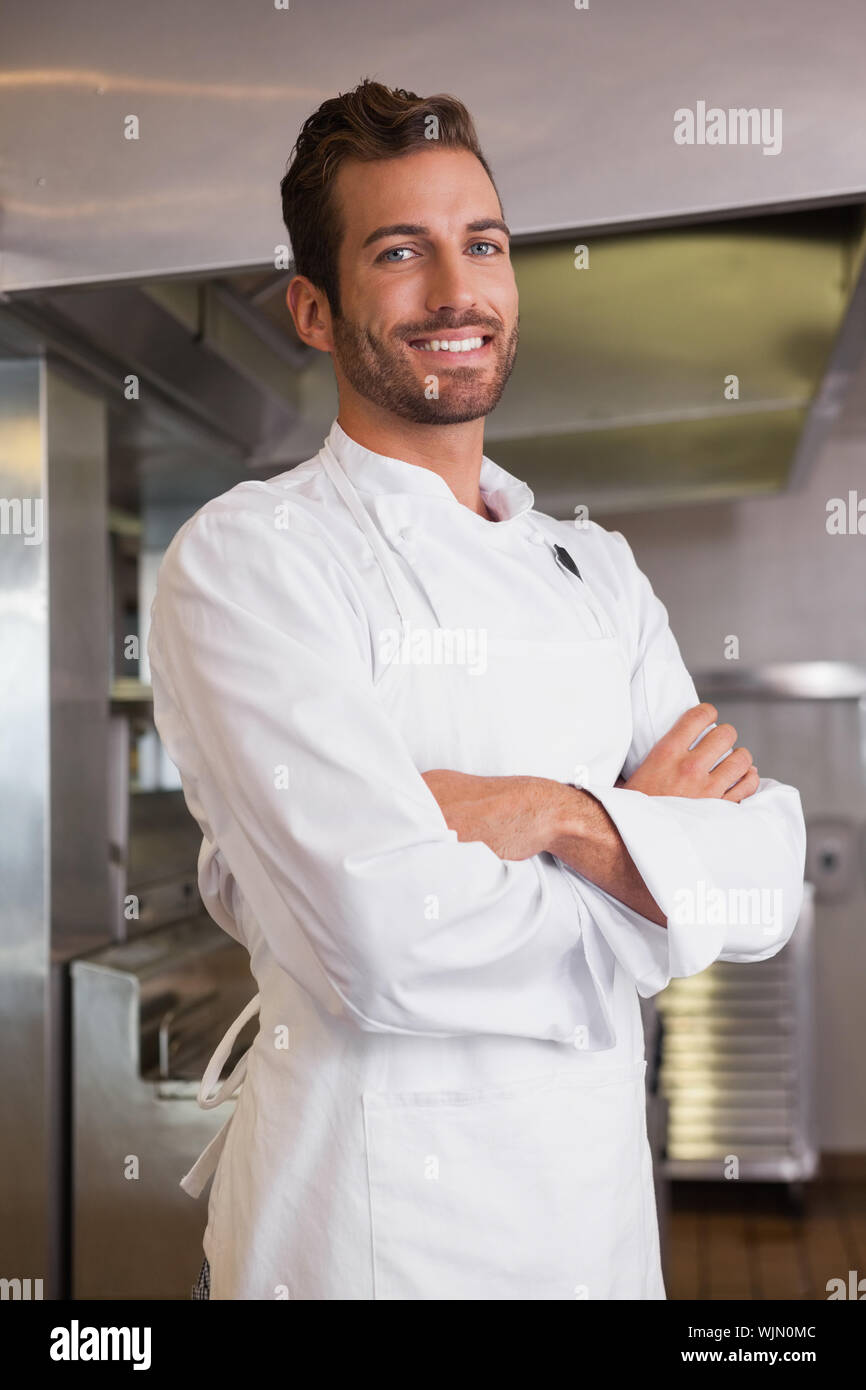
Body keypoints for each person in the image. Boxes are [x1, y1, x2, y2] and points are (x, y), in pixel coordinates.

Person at [148, 78, 806, 1301]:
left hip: (594, 1239)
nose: (456, 291)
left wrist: (547, 816)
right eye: (400, 252)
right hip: (363, 1243)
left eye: (482, 245)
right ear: (311, 306)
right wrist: (656, 877)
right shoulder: (251, 560)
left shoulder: (592, 569)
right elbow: (388, 942)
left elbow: (764, 872)